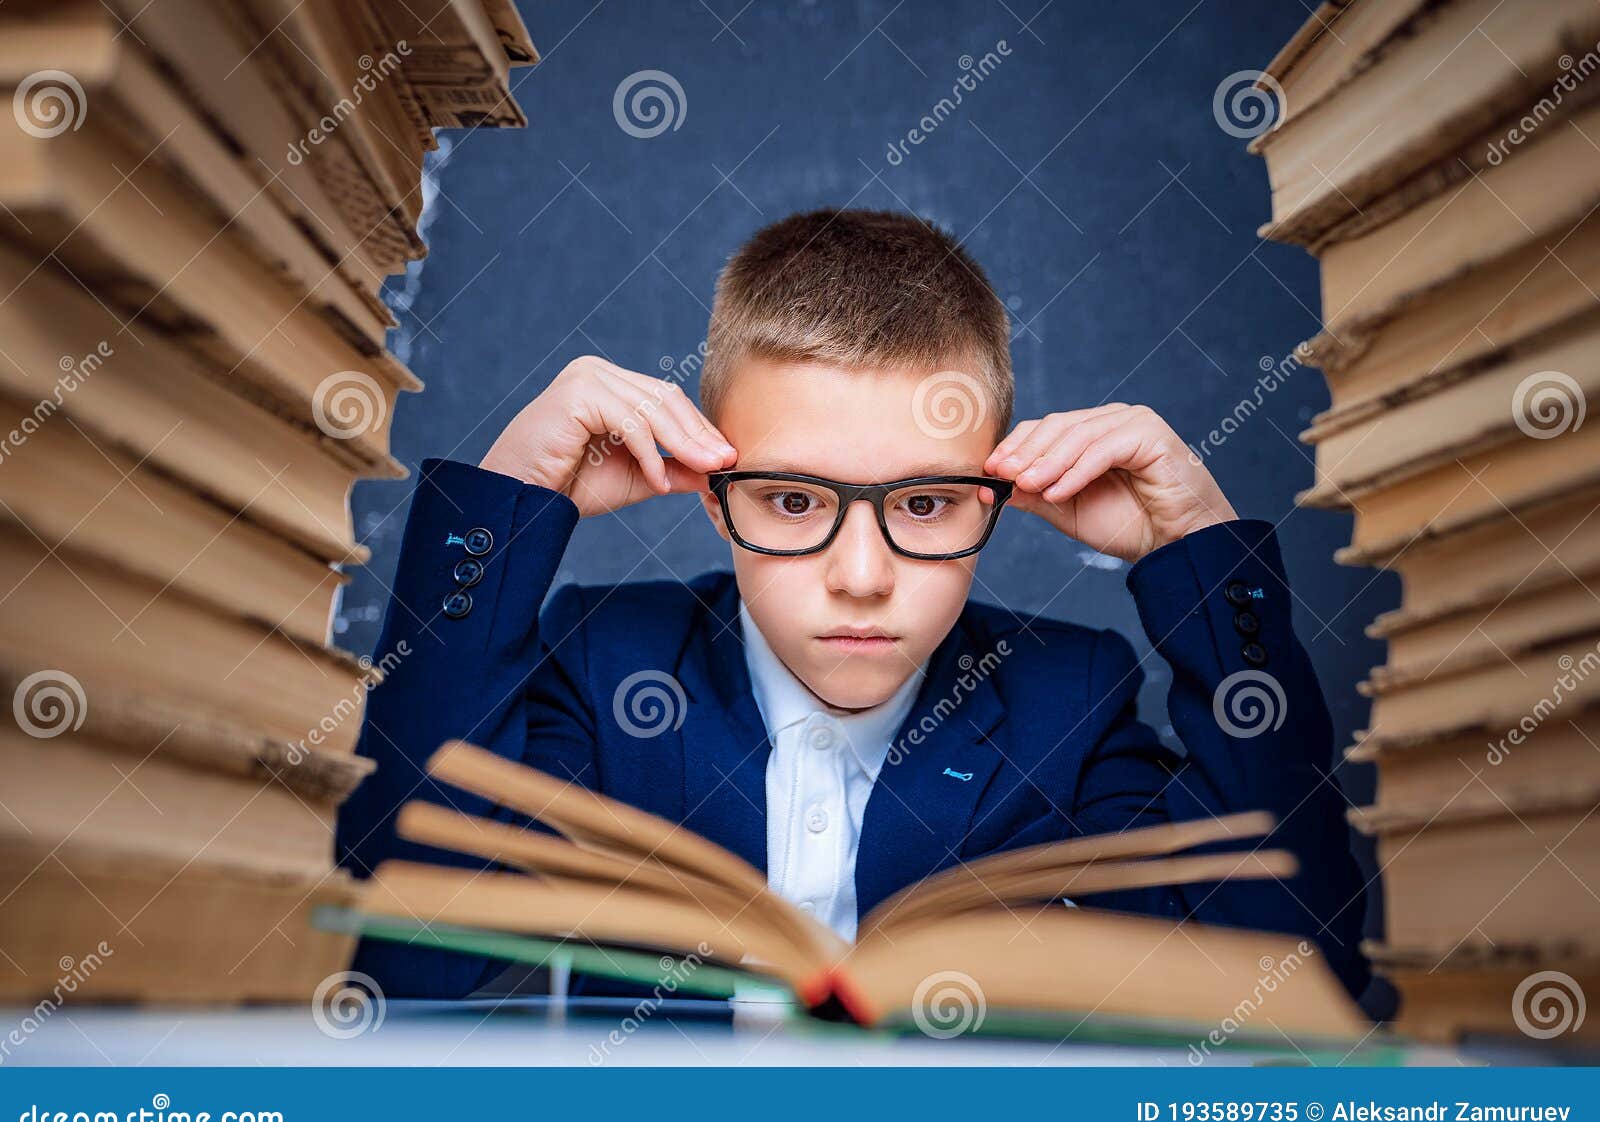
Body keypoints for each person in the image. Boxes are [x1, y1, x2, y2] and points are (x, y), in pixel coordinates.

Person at [335, 208, 1368, 1000]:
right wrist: (510, 498)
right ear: (711, 490)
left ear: (996, 495)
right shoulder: (610, 667)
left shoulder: (1068, 698)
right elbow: (402, 947)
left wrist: (1198, 546)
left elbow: (1294, 968)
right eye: (791, 500)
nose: (862, 572)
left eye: (924, 502)